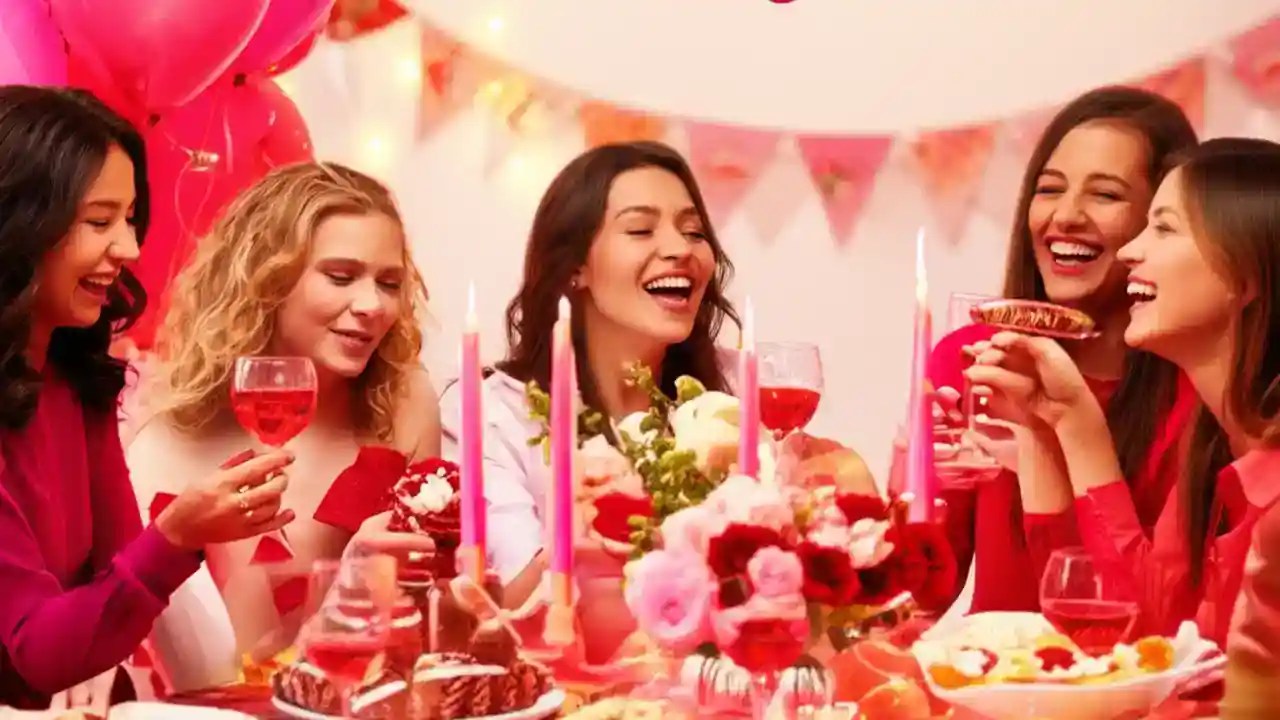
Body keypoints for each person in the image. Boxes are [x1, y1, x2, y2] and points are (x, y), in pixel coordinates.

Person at [0, 86, 293, 709]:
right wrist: (175, 535)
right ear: (21, 224)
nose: (130, 250)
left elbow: (110, 604)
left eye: (130, 219)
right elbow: (38, 654)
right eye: (100, 221)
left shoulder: (77, 379)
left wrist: (182, 535)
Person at [128, 162, 439, 691]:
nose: (372, 306)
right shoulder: (169, 447)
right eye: (340, 277)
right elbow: (225, 675)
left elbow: (426, 621)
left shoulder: (404, 401)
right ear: (267, 279)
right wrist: (353, 581)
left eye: (389, 283)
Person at [966, 138, 1280, 646]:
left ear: (1246, 275)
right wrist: (1062, 422)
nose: (1132, 251)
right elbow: (1137, 630)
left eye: (1164, 228)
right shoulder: (1213, 454)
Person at [439, 141, 739, 663]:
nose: (681, 249)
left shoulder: (737, 395)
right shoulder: (495, 411)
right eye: (641, 229)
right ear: (575, 266)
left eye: (693, 231)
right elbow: (504, 605)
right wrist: (581, 529)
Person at [917, 87, 1198, 612]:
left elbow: (1155, 618)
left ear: (1160, 222)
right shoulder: (974, 357)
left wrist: (1051, 448)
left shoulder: (1196, 387)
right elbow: (924, 593)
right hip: (989, 682)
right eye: (1049, 189)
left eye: (1106, 195)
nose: (1065, 216)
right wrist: (909, 480)